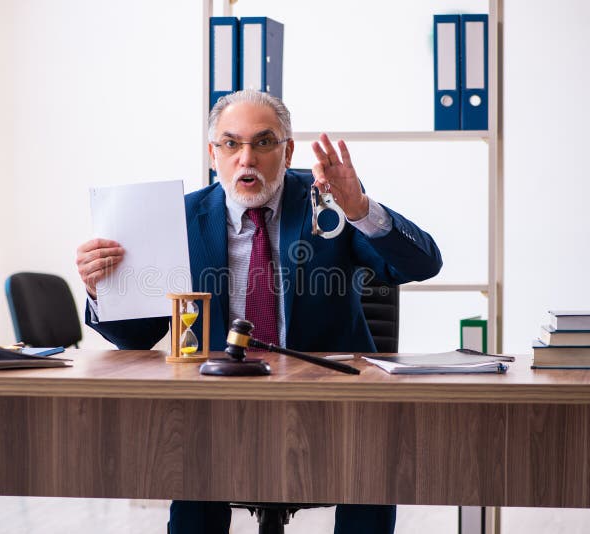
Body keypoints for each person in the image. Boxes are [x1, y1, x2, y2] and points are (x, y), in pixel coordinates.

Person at [76, 89, 442, 534]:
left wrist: (361, 210)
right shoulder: (180, 219)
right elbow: (137, 337)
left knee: (371, 461)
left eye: (263, 142)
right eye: (231, 143)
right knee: (191, 458)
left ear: (287, 153)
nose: (246, 158)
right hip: (217, 406)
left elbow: (422, 264)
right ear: (213, 154)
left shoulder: (329, 204)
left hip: (329, 404)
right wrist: (101, 289)